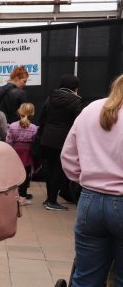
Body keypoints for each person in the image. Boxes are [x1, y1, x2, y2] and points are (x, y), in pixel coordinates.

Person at [55, 74, 123, 287]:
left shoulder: (91, 109)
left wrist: (86, 179)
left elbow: (68, 157)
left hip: (91, 201)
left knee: (84, 281)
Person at [37, 74, 84, 211]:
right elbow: (78, 123)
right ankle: (52, 201)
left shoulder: (50, 97)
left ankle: (49, 199)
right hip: (64, 139)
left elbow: (42, 118)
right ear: (75, 87)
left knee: (50, 168)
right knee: (59, 169)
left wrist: (42, 134)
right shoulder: (77, 101)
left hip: (47, 137)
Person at [6, 102, 39, 202]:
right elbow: (35, 142)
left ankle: (12, 196)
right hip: (27, 153)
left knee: (13, 174)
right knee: (25, 175)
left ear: (19, 112)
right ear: (32, 114)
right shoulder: (34, 128)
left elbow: (8, 141)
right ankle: (22, 197)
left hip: (15, 152)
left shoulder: (12, 126)